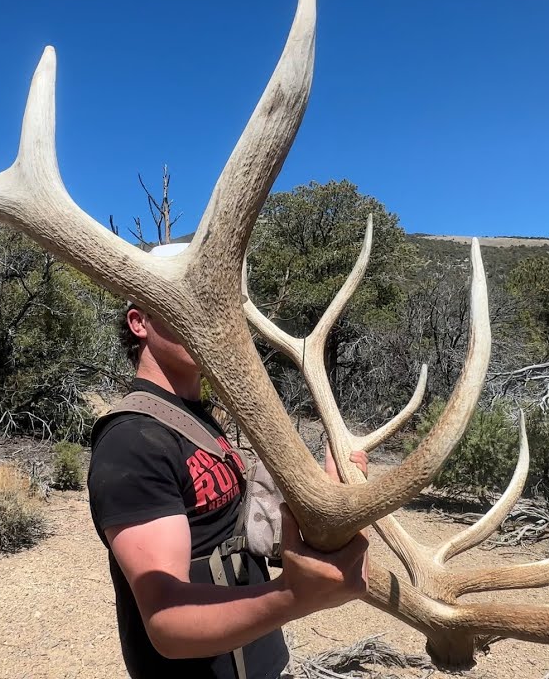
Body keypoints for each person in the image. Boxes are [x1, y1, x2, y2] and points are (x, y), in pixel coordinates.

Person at [88, 245, 370, 679]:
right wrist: (293, 596)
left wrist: (325, 502)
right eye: (189, 305)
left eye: (221, 309)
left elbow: (231, 532)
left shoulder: (195, 418)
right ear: (139, 322)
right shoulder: (132, 441)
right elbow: (167, 619)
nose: (214, 322)